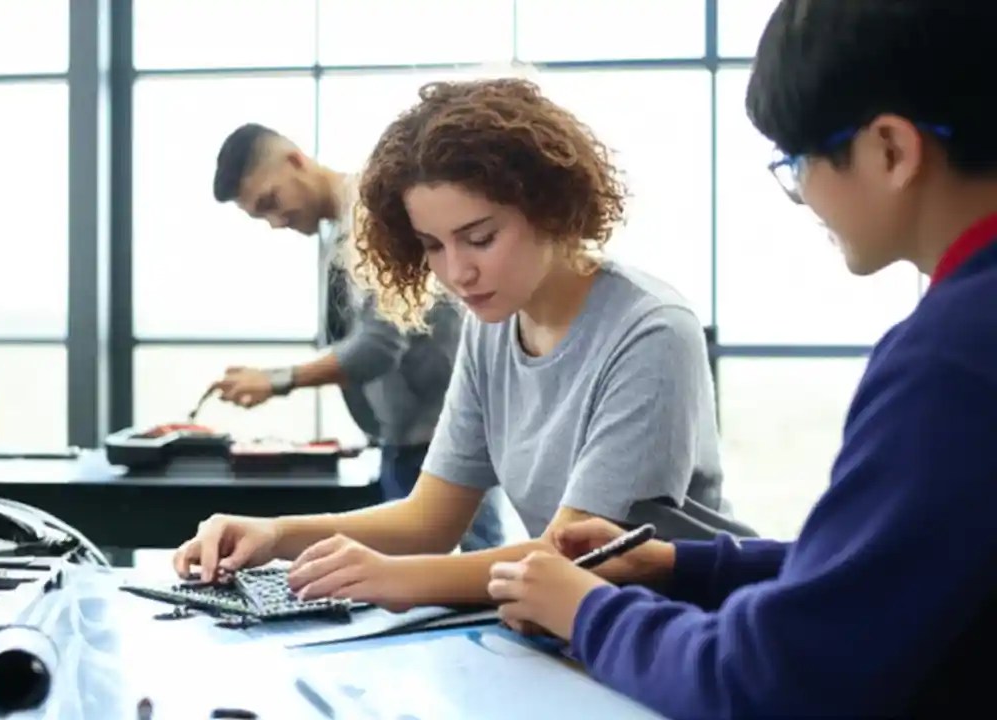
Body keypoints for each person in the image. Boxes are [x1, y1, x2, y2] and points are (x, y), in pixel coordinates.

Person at [484, 2, 997, 717]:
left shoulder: (951, 358)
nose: (801, 197)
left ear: (890, 150)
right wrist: (682, 565)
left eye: (797, 163)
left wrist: (589, 612)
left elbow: (772, 680)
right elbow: (897, 564)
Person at [175, 78, 752, 607]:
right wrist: (274, 533)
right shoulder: (491, 325)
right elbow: (429, 519)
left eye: (480, 238)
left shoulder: (651, 331)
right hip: (586, 630)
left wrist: (393, 578)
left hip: (698, 627)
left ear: (549, 206)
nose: (457, 273)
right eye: (432, 245)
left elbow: (582, 556)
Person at [209, 123, 507, 551]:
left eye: (271, 201)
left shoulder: (371, 220)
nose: (275, 222)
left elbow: (378, 345)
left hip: (440, 443)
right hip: (406, 439)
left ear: (296, 161)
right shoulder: (338, 230)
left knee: (473, 572)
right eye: (261, 216)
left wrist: (277, 380)